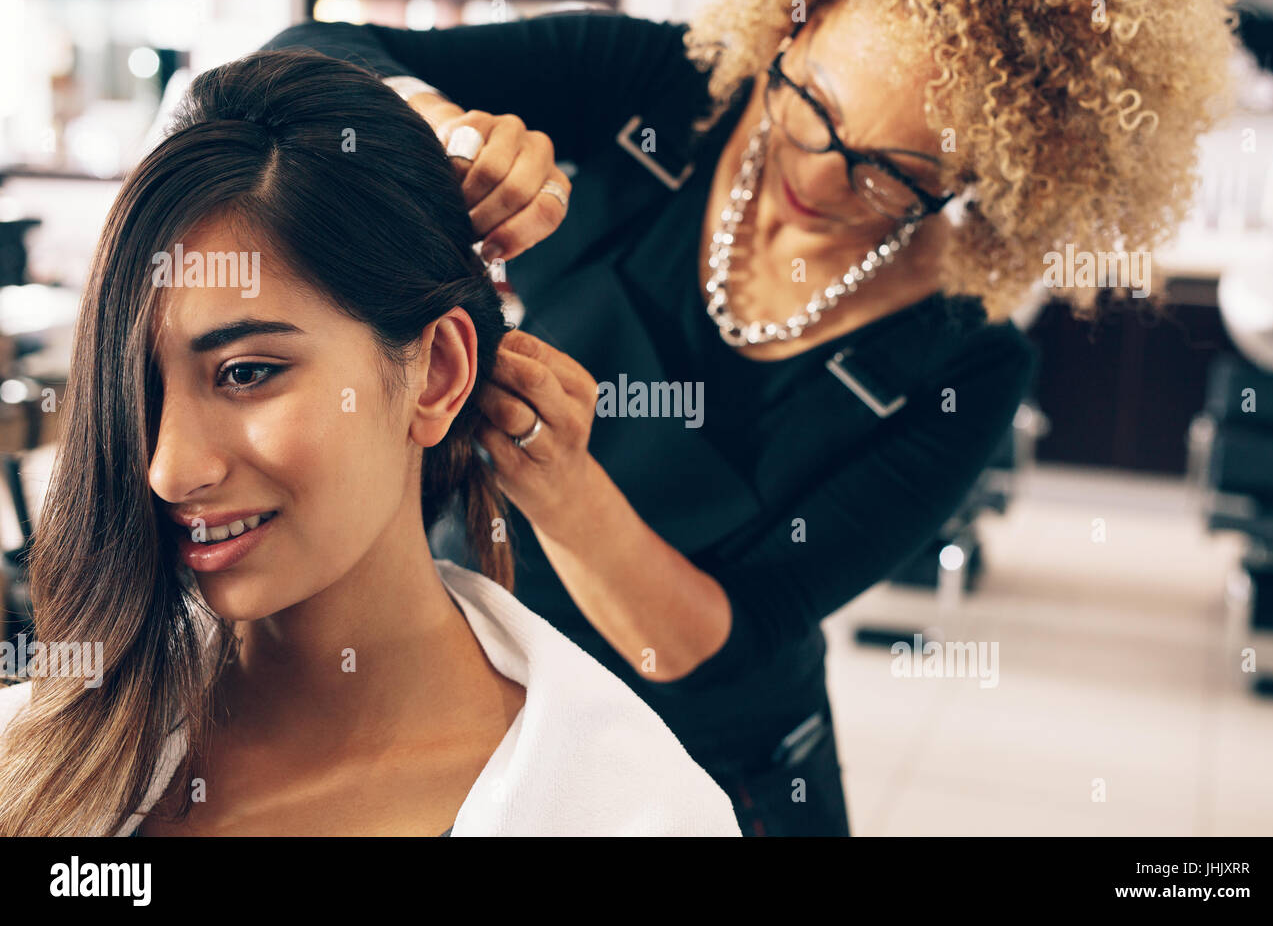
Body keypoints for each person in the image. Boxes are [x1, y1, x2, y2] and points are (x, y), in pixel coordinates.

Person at [264, 0, 1244, 834]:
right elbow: (306, 53)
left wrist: (558, 482)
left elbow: (713, 639)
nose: (815, 173)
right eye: (811, 104)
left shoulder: (964, 365)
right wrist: (445, 128)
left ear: (990, 176)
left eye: (893, 174)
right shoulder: (661, 90)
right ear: (795, 17)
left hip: (724, 761)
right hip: (484, 675)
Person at [0, 49, 742, 837]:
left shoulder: (635, 815)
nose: (170, 469)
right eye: (142, 388)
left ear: (437, 373)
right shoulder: (30, 752)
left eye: (246, 373)